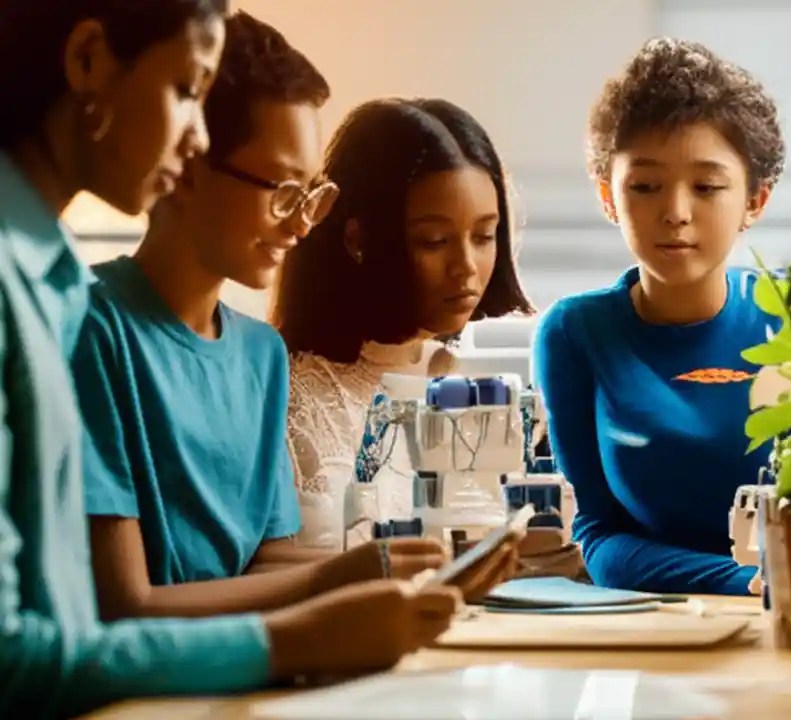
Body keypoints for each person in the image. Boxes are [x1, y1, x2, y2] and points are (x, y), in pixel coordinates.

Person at [0, 2, 475, 716]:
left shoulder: (54, 285)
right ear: (88, 60)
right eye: (187, 90)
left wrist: (367, 579)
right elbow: (66, 636)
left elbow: (250, 565)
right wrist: (298, 634)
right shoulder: (72, 312)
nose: (193, 139)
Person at [69, 12, 510, 620]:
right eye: (282, 191)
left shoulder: (258, 353)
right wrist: (345, 575)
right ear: (188, 159)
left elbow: (266, 568)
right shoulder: (92, 327)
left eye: (312, 194)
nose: (302, 221)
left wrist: (426, 569)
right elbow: (124, 602)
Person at [531, 37, 784, 595]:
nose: (675, 213)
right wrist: (747, 581)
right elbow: (598, 536)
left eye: (707, 186)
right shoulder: (574, 334)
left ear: (755, 201)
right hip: (649, 629)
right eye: (644, 187)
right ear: (607, 196)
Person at [272, 97, 534, 548]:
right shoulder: (284, 395)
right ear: (359, 238)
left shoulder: (482, 385)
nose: (467, 266)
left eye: (484, 236)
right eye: (435, 241)